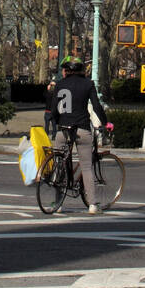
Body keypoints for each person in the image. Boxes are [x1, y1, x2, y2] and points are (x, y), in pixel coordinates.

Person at [44, 59, 109, 214]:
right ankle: (92, 204)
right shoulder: (88, 84)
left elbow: (53, 110)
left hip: (63, 129)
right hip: (82, 128)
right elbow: (97, 106)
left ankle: (58, 203)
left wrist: (59, 123)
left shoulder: (60, 84)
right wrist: (105, 123)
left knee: (60, 164)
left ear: (67, 71)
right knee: (86, 166)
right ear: (81, 70)